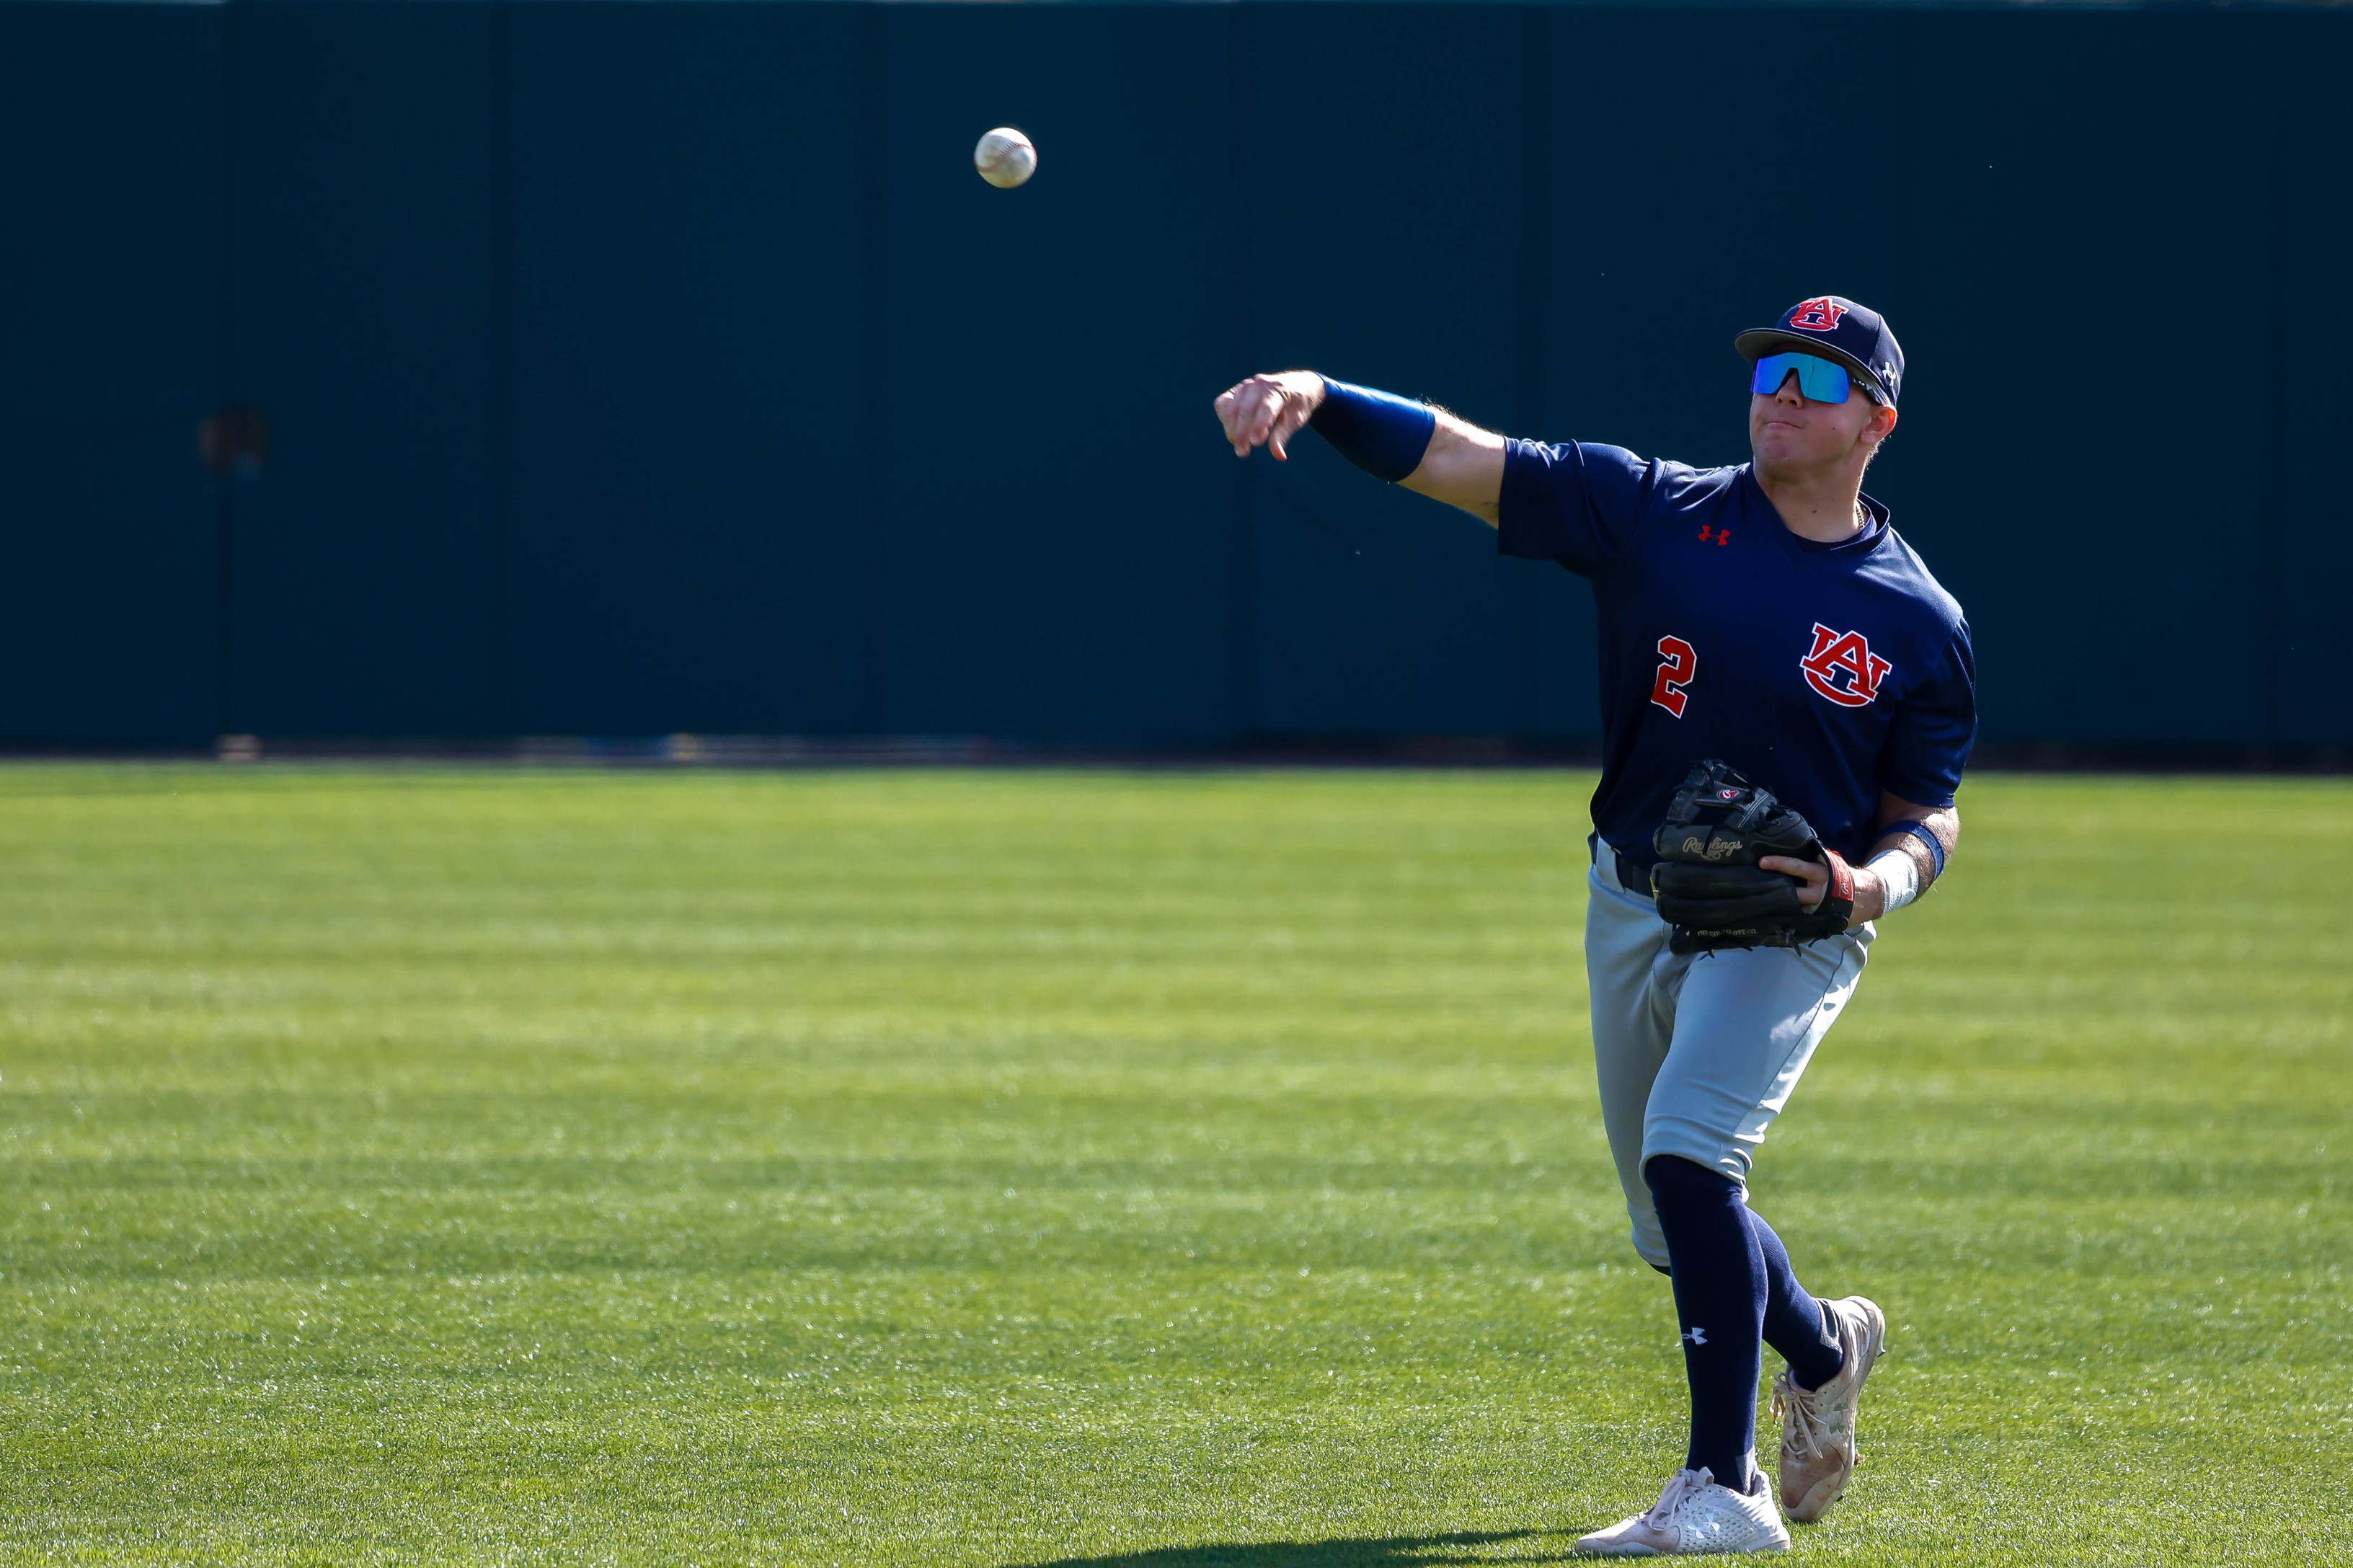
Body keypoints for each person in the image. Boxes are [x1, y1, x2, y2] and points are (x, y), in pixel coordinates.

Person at [1211, 296, 1974, 1556]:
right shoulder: (1654, 507)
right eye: (1769, 368)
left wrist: (1864, 887)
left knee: (1690, 1155)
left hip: (1791, 918)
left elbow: (1929, 817)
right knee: (1672, 1223)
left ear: (1875, 424)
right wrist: (1321, 391)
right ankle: (1826, 1346)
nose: (1779, 392)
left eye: (1816, 379)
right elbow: (1464, 456)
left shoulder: (1916, 619)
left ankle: (1722, 1487)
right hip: (1633, 893)